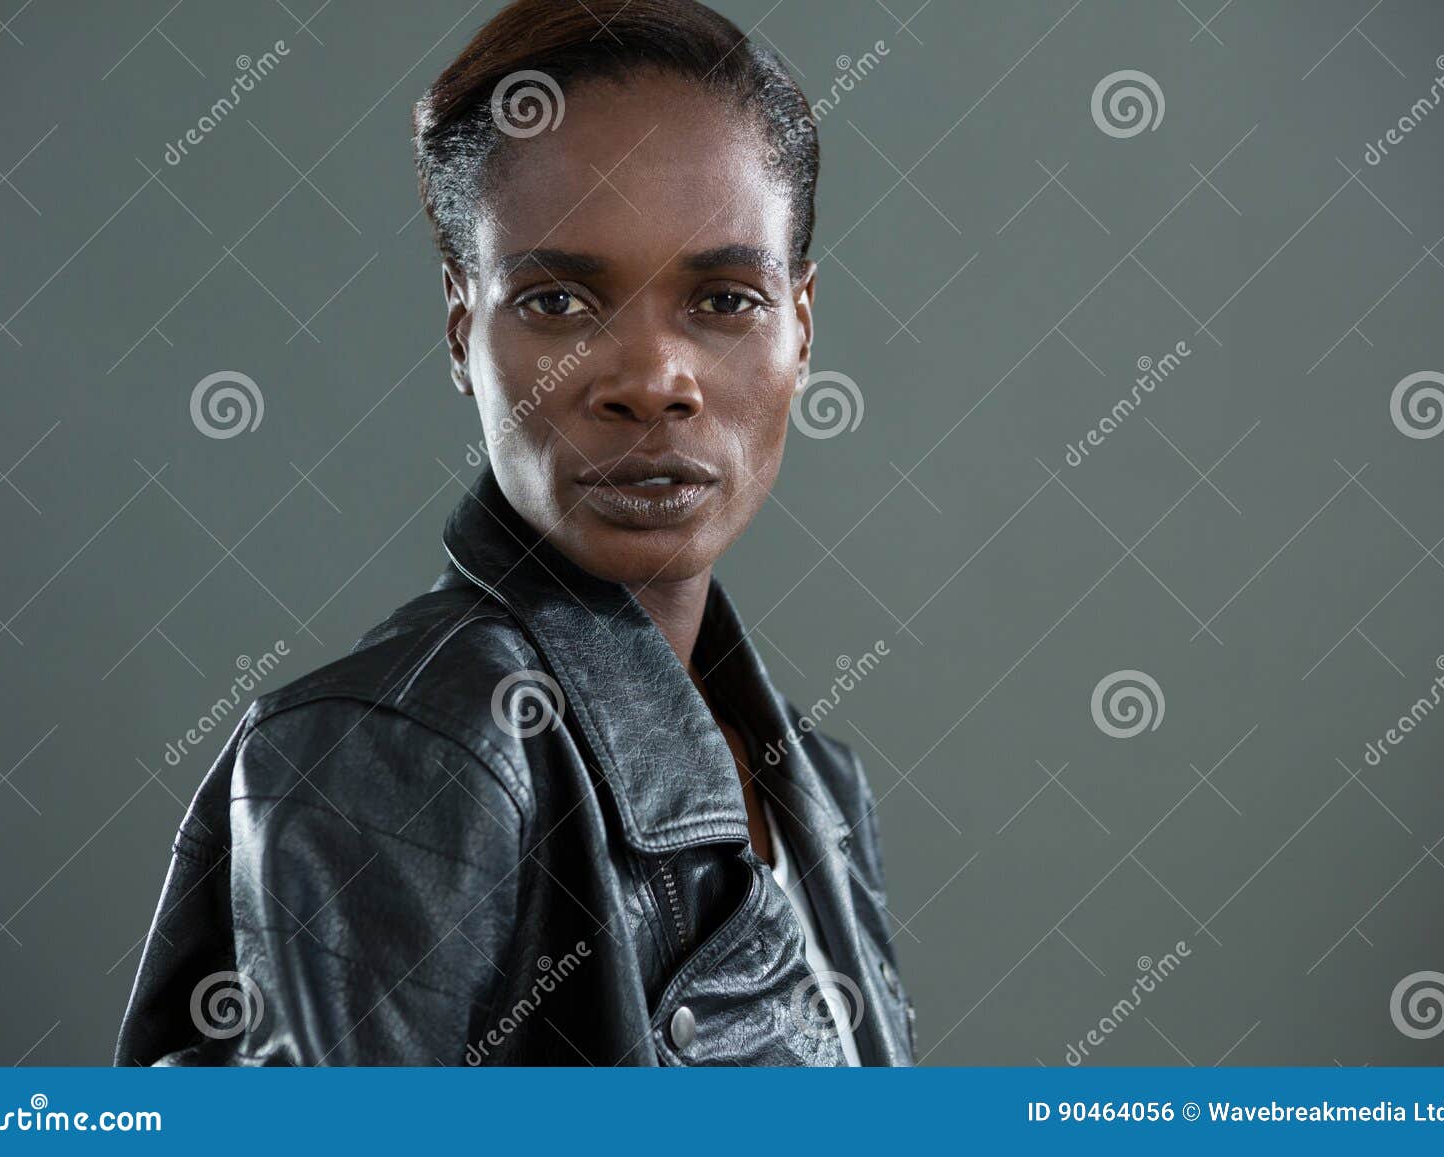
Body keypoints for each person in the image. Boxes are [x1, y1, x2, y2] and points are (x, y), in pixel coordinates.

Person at [115, 0, 914, 1066]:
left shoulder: (814, 784)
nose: (651, 382)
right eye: (558, 301)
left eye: (722, 299)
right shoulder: (396, 760)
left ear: (800, 328)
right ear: (463, 326)